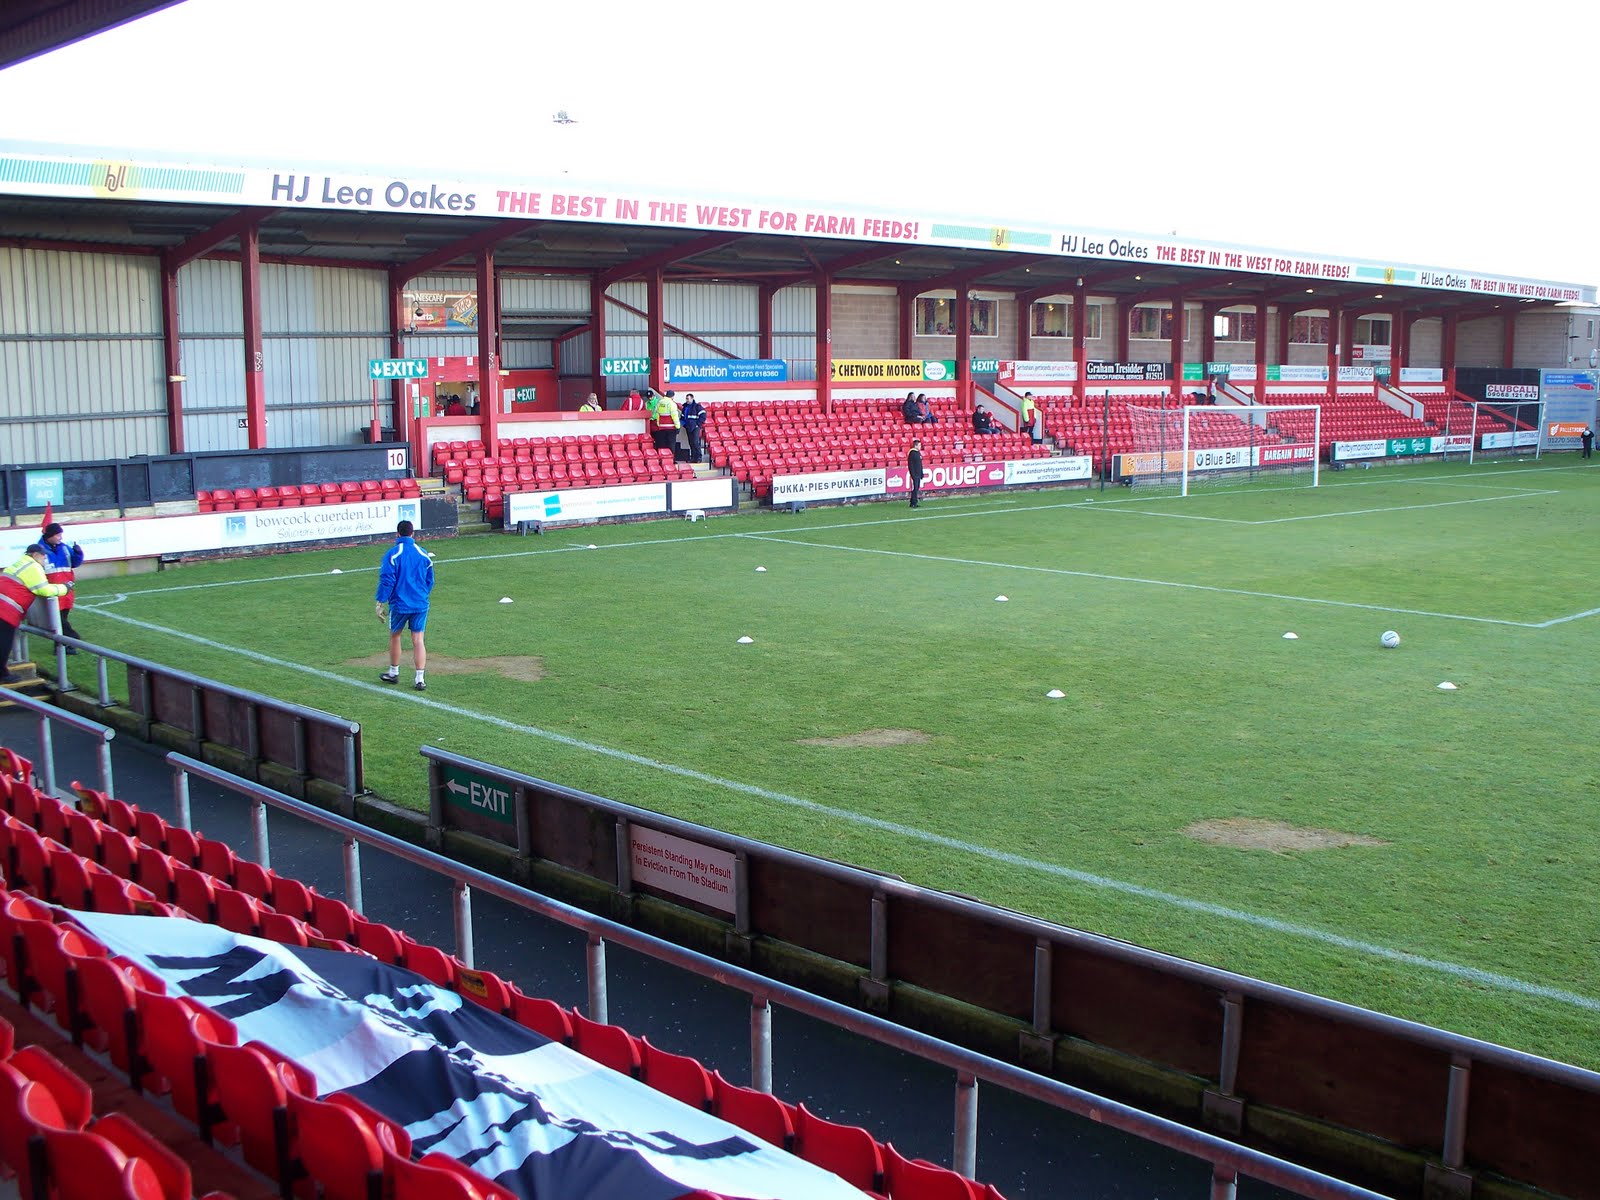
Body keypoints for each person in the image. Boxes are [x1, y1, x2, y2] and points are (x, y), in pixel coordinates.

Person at [375, 519, 434, 691]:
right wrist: (422, 594)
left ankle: (394, 672)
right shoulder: (423, 554)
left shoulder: (393, 554)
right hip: (420, 603)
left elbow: (387, 579)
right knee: (418, 640)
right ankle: (419, 679)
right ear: (413, 533)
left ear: (397, 534)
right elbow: (430, 580)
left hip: (400, 604)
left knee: (395, 635)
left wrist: (380, 601)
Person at [0, 544, 71, 683]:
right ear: (35, 555)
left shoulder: (20, 563)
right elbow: (43, 590)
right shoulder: (33, 567)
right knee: (4, 643)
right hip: (5, 610)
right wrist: (65, 588)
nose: (45, 558)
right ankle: (2, 674)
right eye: (43, 555)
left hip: (3, 607)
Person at [40, 522, 85, 650]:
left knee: (62, 618)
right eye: (58, 535)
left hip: (66, 590)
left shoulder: (64, 548)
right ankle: (72, 638)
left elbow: (75, 563)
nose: (61, 537)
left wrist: (78, 553)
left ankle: (61, 646)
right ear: (50, 535)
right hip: (50, 590)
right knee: (58, 620)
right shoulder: (39, 550)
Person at [680, 392, 708, 462]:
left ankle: (699, 457)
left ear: (692, 398)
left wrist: (698, 424)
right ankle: (693, 458)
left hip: (695, 427)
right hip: (688, 427)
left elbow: (703, 415)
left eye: (688, 399)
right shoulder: (685, 407)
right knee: (691, 443)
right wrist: (684, 425)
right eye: (686, 399)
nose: (687, 400)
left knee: (695, 442)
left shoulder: (697, 406)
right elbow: (682, 418)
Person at [907, 439, 924, 508]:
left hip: (918, 473)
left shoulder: (917, 453)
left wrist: (921, 473)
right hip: (915, 474)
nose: (920, 446)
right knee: (915, 488)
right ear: (915, 445)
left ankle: (913, 501)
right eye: (919, 445)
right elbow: (910, 465)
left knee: (916, 488)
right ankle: (913, 502)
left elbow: (920, 464)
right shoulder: (912, 453)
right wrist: (913, 474)